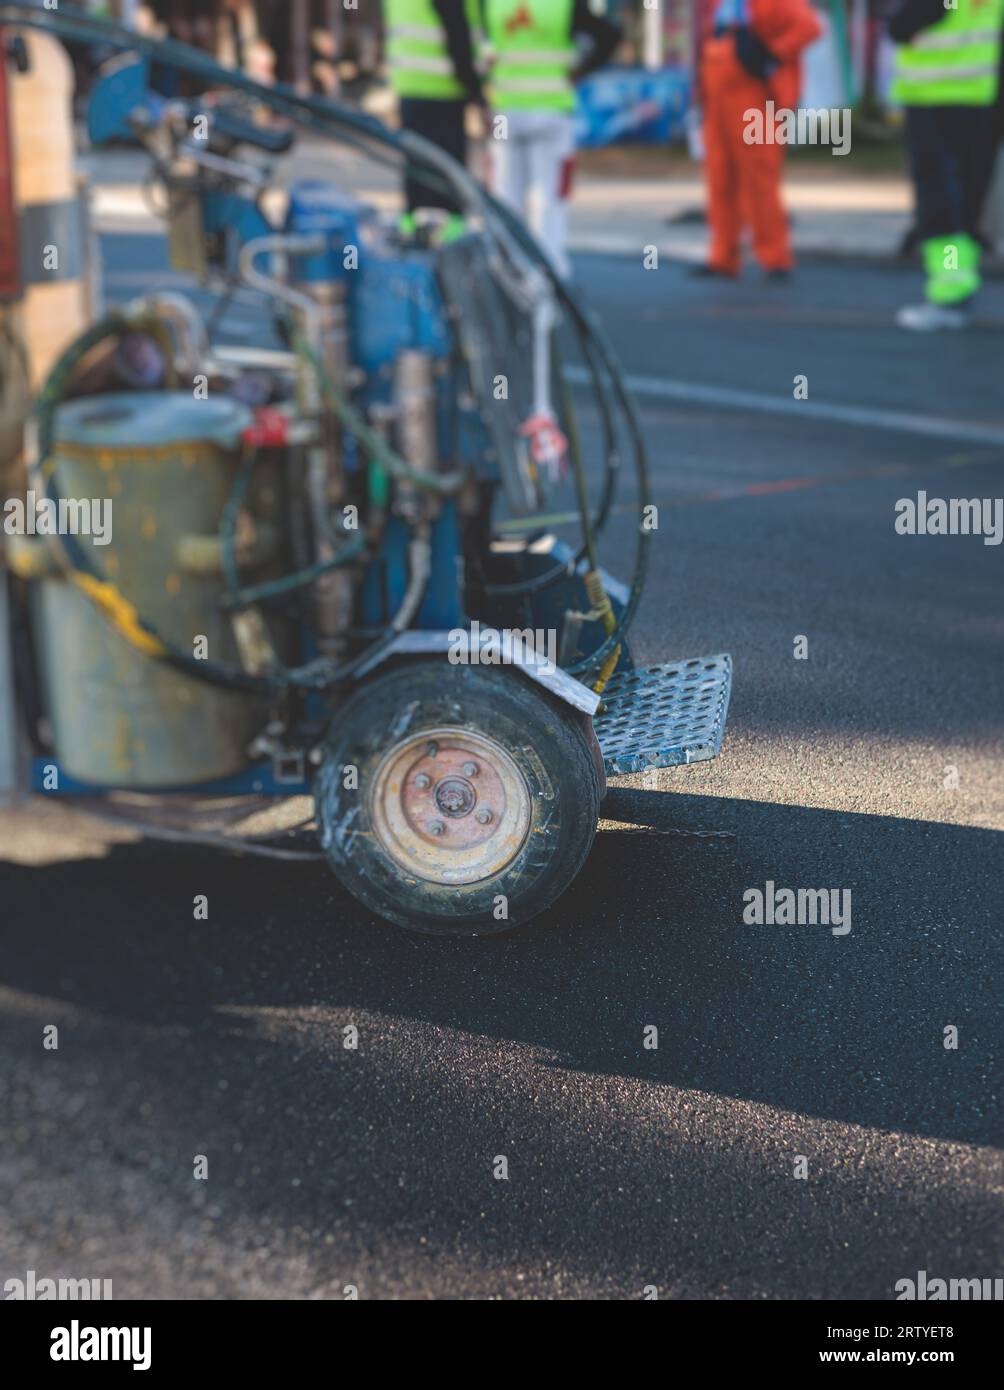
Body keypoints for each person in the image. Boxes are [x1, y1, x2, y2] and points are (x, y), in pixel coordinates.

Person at [482, 0, 621, 280]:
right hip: (551, 111)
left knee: (506, 199)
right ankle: (551, 277)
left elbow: (482, 50)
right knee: (550, 201)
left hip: (506, 111)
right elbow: (609, 35)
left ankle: (509, 273)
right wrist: (581, 69)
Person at [889, 0, 1004, 330]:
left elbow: (918, 17)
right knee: (965, 198)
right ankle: (958, 283)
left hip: (936, 95)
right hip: (979, 97)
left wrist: (897, 24)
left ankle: (950, 288)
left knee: (941, 203)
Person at [695, 0, 821, 280]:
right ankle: (723, 257)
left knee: (760, 179)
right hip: (718, 101)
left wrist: (773, 54)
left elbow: (809, 27)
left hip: (755, 99)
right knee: (720, 178)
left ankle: (774, 258)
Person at [385, 0, 485, 219]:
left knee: (418, 172)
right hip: (444, 88)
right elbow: (455, 28)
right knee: (446, 177)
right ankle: (449, 236)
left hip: (410, 84)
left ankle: (415, 233)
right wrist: (474, 87)